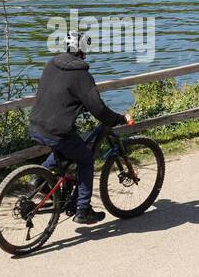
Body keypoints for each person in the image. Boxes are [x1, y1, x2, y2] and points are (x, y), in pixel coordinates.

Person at [29, 33, 133, 225]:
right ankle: (83, 210)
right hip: (57, 130)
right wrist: (119, 118)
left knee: (65, 150)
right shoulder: (82, 75)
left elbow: (57, 92)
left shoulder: (51, 64)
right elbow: (99, 109)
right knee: (85, 159)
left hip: (36, 124)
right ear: (82, 51)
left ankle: (40, 180)